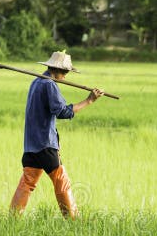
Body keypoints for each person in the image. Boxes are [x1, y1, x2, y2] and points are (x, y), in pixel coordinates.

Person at [9, 51, 104, 219]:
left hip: (31, 146)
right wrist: (89, 100)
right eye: (65, 72)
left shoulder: (36, 82)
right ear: (56, 70)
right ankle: (74, 221)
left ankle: (13, 219)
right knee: (61, 181)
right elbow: (62, 111)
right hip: (46, 144)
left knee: (27, 183)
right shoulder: (49, 85)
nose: (66, 77)